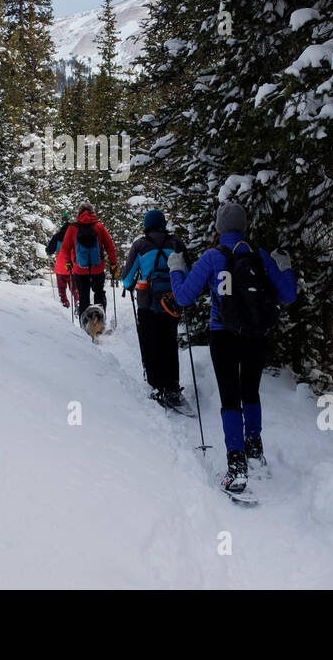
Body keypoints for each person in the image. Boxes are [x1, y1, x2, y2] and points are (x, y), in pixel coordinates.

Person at [168, 201, 296, 494]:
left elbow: (185, 297)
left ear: (219, 226)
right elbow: (288, 295)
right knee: (250, 391)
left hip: (223, 333)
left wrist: (176, 269)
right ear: (244, 225)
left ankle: (236, 467)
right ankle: (254, 450)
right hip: (255, 334)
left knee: (230, 397)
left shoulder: (213, 256)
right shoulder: (259, 255)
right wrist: (285, 267)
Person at [121, 209, 188, 409]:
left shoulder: (140, 245)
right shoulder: (176, 243)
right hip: (172, 302)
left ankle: (157, 386)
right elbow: (188, 272)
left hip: (147, 303)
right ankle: (173, 387)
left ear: (146, 225)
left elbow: (126, 280)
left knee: (150, 343)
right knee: (169, 342)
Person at [59, 202, 117, 320]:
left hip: (79, 269)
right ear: (92, 212)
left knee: (83, 296)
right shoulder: (99, 226)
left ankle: (84, 325)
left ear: (79, 213)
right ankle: (99, 320)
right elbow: (110, 246)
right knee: (99, 292)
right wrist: (113, 263)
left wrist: (68, 262)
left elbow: (65, 248)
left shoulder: (72, 228)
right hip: (98, 267)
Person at [46, 211, 74, 308]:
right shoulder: (74, 236)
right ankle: (78, 303)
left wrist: (48, 251)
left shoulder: (57, 236)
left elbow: (49, 250)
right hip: (73, 267)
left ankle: (65, 303)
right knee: (74, 288)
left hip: (61, 266)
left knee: (62, 288)